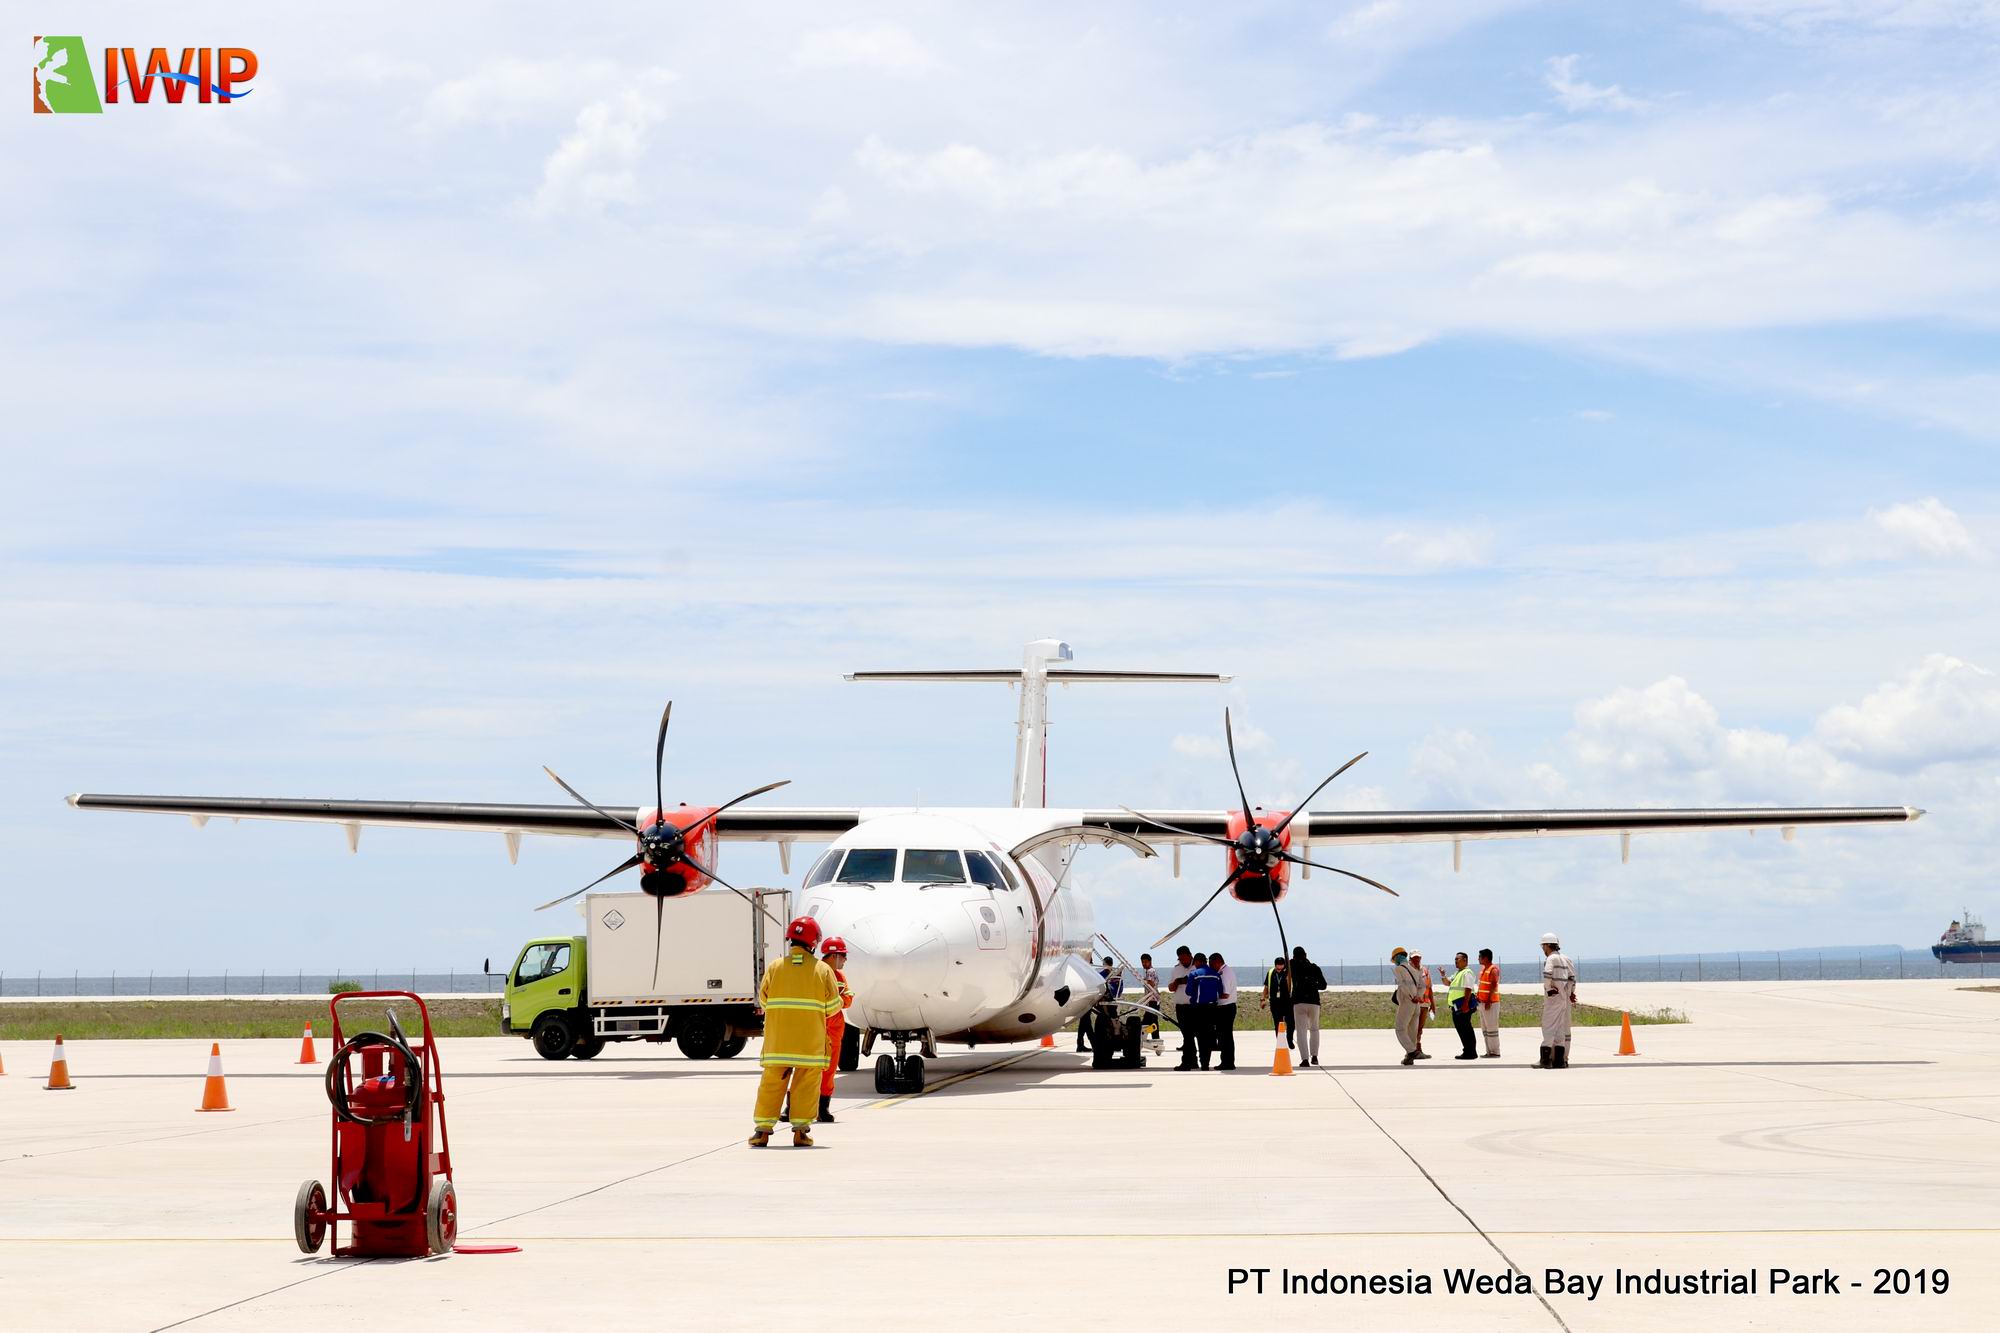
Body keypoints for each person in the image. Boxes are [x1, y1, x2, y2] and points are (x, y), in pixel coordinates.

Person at [751, 916, 843, 1147]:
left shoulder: (775, 967)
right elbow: (833, 1006)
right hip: (809, 1046)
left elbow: (763, 1001)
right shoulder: (822, 970)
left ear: (790, 940)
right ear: (813, 943)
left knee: (771, 1085)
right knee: (805, 1087)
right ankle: (800, 1133)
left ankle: (762, 1131)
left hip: (778, 1045)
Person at [815, 936, 853, 1124]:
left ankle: (823, 1108)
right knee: (805, 1070)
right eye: (843, 955)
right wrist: (838, 1002)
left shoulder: (839, 977)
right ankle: (792, 1107)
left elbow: (848, 997)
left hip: (833, 1031)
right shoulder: (816, 972)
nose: (845, 959)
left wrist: (840, 1001)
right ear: (834, 955)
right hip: (816, 1028)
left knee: (829, 1071)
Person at [1538, 932, 1577, 1069]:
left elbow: (1547, 974)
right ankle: (1560, 1060)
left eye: (1543, 946)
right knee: (1561, 1028)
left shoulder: (1551, 959)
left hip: (1553, 998)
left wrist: (1548, 989)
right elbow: (1572, 978)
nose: (1543, 949)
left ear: (1548, 945)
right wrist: (1571, 992)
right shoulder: (1564, 959)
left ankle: (1545, 1060)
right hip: (1563, 998)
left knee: (1548, 1027)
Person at [1289, 946, 1326, 1067]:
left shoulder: (1293, 966)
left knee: (1301, 1032)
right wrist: (1313, 985)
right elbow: (1323, 985)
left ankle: (1305, 1059)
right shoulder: (1314, 968)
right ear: (1306, 954)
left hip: (1299, 1002)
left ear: (1294, 957)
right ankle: (1314, 1056)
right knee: (1314, 1029)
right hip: (1314, 1001)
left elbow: (1286, 966)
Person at [1185, 952, 1222, 1069]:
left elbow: (1188, 991)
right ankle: (1206, 1062)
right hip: (1212, 1008)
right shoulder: (1216, 975)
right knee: (1208, 1036)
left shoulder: (1194, 974)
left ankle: (1197, 1061)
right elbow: (1220, 992)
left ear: (1197, 962)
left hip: (1198, 1008)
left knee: (1194, 1035)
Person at [1391, 947, 1423, 1066]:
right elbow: (1423, 986)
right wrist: (1418, 996)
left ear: (1397, 958)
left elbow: (1403, 985)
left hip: (1407, 1002)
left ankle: (1412, 1051)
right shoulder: (1414, 969)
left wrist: (1411, 997)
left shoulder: (1399, 969)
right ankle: (1409, 1057)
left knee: (1400, 1029)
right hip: (1417, 1004)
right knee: (1412, 1031)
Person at [1443, 951, 1477, 1060]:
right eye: (1455, 959)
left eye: (1458, 959)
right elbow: (1447, 983)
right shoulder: (1458, 973)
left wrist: (1466, 1004)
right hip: (1456, 1006)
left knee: (1466, 1029)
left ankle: (1471, 1052)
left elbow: (1468, 988)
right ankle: (1467, 1050)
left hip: (1463, 1006)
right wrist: (1443, 975)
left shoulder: (1467, 972)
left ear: (1465, 960)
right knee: (1461, 1029)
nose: (1456, 961)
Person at [1168, 945, 1197, 1070]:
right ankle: (1193, 1061)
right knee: (1186, 1035)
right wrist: (1176, 982)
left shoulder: (1196, 967)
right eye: (1181, 960)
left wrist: (1186, 980)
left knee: (1190, 1035)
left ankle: (1187, 1062)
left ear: (1190, 956)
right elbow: (1170, 987)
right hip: (1180, 1006)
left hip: (1193, 1006)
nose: (1184, 962)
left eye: (1185, 959)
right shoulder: (1176, 969)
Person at [1211, 950, 1238, 1070]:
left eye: (1212, 964)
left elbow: (1225, 994)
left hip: (1225, 1008)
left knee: (1225, 1036)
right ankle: (1227, 1061)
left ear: (1217, 962)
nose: (1211, 967)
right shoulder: (1227, 971)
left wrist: (1212, 996)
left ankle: (1227, 1062)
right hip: (1227, 1007)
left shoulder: (1224, 974)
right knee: (1225, 1036)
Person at [1475, 947, 1501, 1058]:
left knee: (1492, 1028)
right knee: (1485, 1029)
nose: (1478, 959)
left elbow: (1493, 984)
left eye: (1480, 957)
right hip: (1481, 1002)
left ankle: (1495, 1051)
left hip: (1491, 1003)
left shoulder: (1493, 969)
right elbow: (1482, 985)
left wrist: (1489, 1000)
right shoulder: (1483, 970)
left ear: (1486, 958)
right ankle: (1489, 1051)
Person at [1262, 957, 1293, 1050]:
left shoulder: (1288, 973)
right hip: (1275, 1002)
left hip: (1287, 1001)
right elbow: (1266, 987)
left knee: (1290, 1022)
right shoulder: (1271, 972)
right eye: (1277, 967)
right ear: (1275, 965)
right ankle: (1280, 1043)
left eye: (1281, 966)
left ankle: (1289, 1039)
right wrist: (1262, 999)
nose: (1279, 968)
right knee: (1278, 1024)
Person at [1409, 951, 1435, 1059]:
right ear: (1410, 959)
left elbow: (1429, 988)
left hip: (1424, 1004)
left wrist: (1433, 1004)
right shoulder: (1408, 971)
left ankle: (1418, 1050)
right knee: (1412, 1028)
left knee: (1420, 1029)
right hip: (1413, 1004)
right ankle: (1412, 1050)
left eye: (1418, 957)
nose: (1417, 960)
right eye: (1414, 958)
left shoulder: (1425, 971)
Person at [1139, 953, 1163, 1052]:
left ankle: (1143, 1040)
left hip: (1152, 1000)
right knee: (1152, 1022)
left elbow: (1151, 983)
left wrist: (1145, 981)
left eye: (1145, 962)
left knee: (1146, 1022)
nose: (1144, 964)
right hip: (1152, 1000)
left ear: (1150, 961)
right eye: (1142, 962)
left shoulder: (1150, 972)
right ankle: (1155, 1041)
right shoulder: (1151, 971)